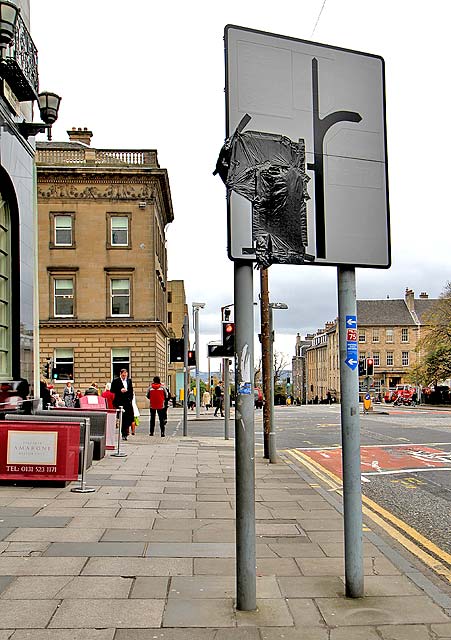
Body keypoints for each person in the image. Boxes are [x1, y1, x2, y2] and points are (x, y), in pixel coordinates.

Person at [110, 369, 134, 440]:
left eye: (125, 375)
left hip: (127, 402)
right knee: (122, 418)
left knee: (129, 417)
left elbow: (131, 390)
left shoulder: (129, 381)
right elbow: (112, 390)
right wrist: (120, 390)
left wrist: (130, 398)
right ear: (120, 374)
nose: (124, 376)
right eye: (123, 375)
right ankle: (124, 434)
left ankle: (126, 430)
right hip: (120, 402)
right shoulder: (116, 381)